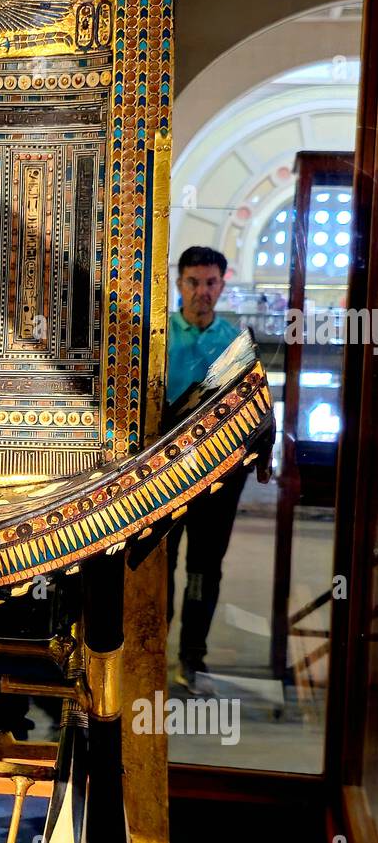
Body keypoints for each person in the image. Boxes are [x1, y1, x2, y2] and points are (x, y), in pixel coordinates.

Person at [165, 246, 245, 695]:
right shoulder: (157, 339)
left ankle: (192, 657)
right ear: (179, 285)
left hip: (218, 479)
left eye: (210, 283)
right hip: (162, 477)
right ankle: (150, 645)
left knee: (203, 570)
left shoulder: (235, 343)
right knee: (159, 566)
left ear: (222, 285)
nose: (202, 292)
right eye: (194, 282)